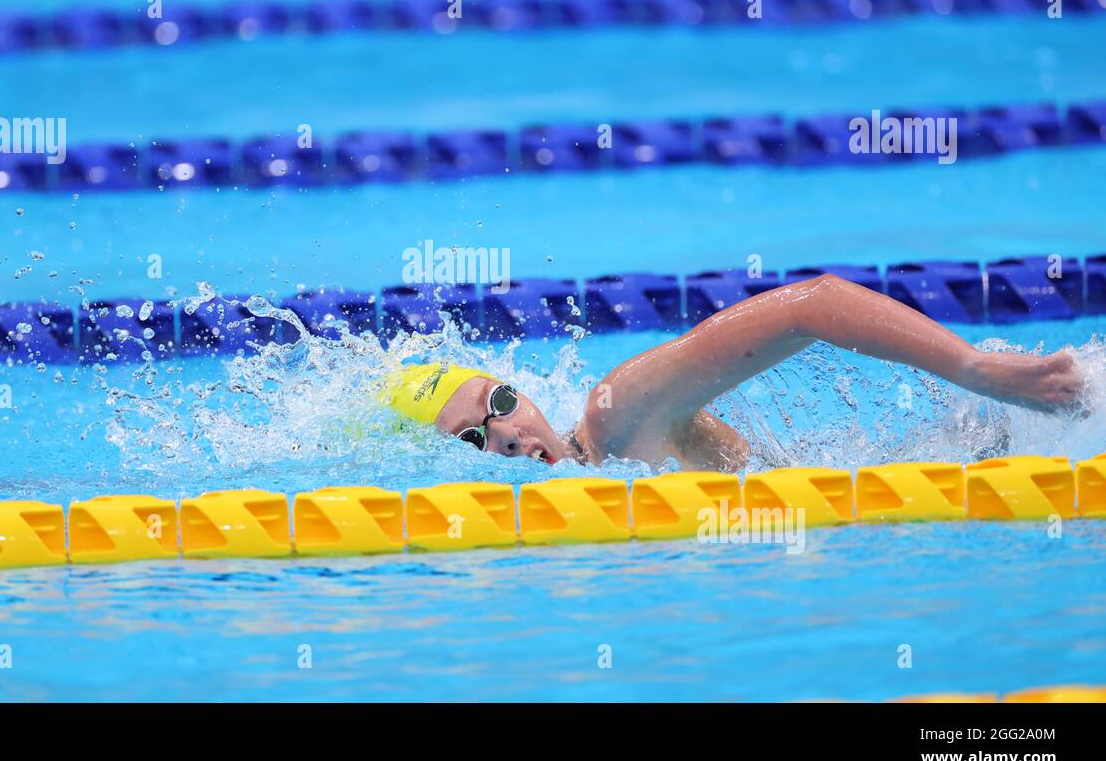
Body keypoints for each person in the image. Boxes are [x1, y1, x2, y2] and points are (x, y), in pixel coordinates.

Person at [382, 274, 1084, 472]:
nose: (506, 435)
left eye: (500, 402)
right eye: (475, 441)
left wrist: (976, 368)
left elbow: (818, 303)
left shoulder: (617, 417)